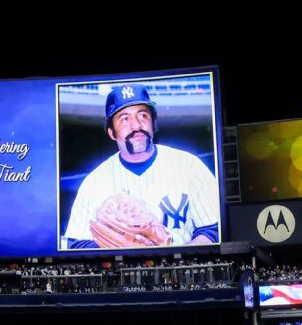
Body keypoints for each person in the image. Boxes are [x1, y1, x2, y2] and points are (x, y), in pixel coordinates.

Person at [62, 83, 220, 250]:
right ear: (112, 133)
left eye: (143, 116)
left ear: (153, 124)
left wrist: (181, 255)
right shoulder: (93, 183)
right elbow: (77, 243)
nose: (136, 125)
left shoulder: (190, 167)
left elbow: (214, 229)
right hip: (118, 273)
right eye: (124, 119)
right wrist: (118, 246)